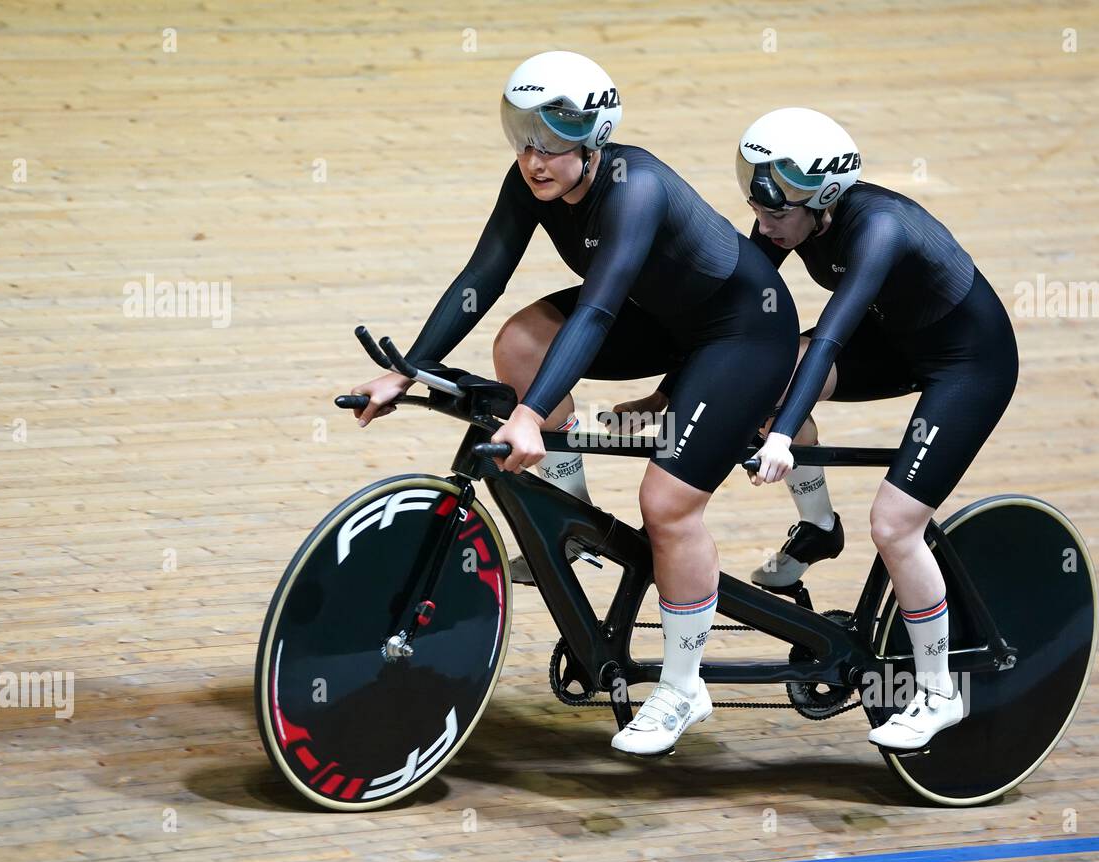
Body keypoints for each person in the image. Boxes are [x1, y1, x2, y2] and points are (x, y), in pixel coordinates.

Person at [349, 52, 800, 756]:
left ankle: (684, 687)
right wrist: (409, 369)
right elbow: (482, 276)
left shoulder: (635, 187)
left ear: (595, 136)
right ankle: (575, 527)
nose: (534, 158)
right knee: (522, 344)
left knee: (668, 505)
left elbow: (594, 313)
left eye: (552, 141)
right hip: (659, 317)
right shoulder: (534, 177)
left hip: (739, 334)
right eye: (523, 136)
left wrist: (531, 416)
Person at [625, 108, 1019, 750]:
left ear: (825, 201)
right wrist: (667, 394)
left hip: (967, 367)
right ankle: (819, 524)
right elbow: (732, 314)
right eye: (757, 206)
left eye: (778, 214)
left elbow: (831, 336)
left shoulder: (881, 230)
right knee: (770, 380)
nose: (764, 224)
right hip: (893, 342)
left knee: (895, 523)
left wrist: (781, 437)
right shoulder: (788, 220)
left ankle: (940, 692)